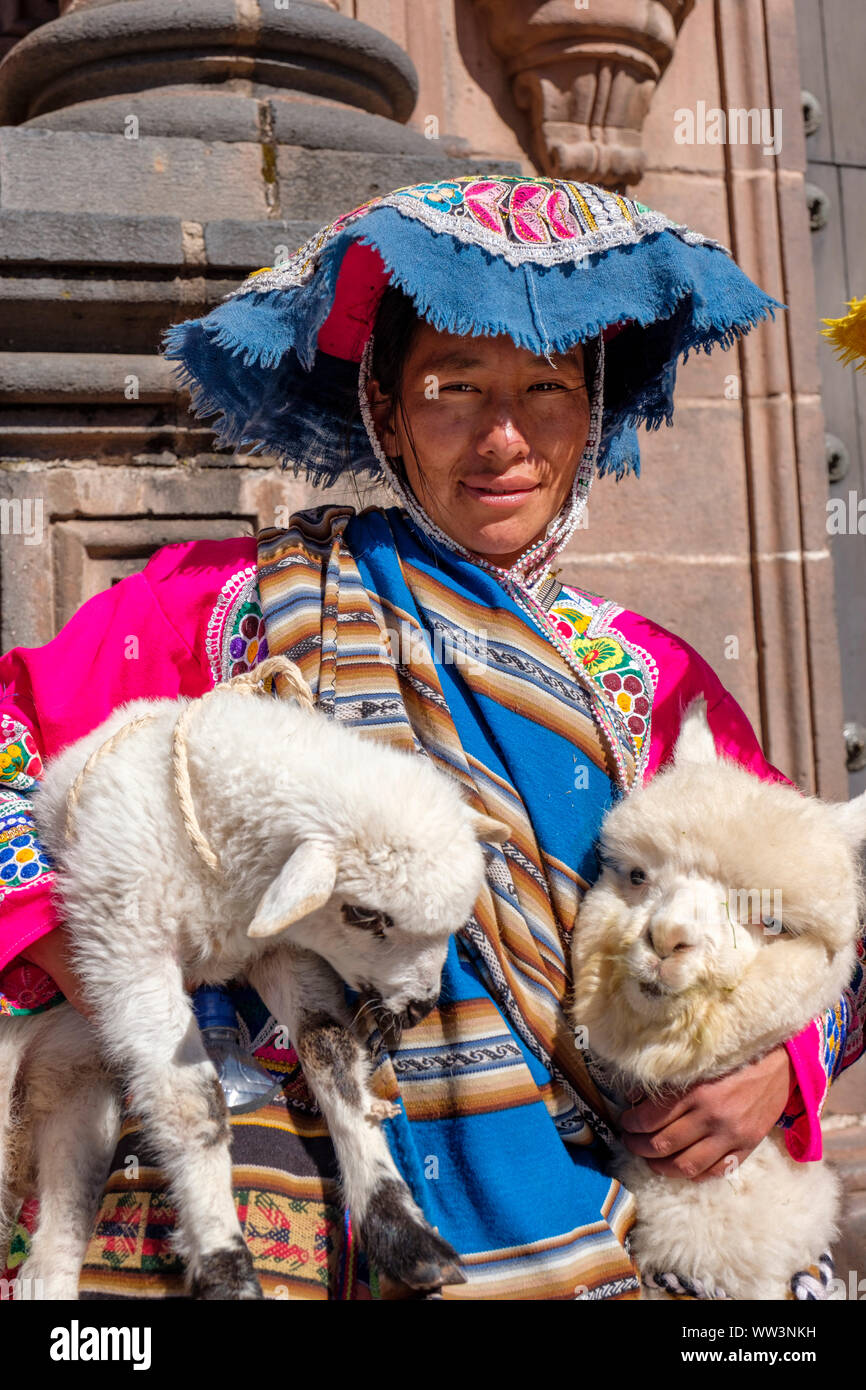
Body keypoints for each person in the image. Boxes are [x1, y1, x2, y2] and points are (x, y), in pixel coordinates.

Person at [1, 174, 862, 1301]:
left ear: (589, 413)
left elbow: (809, 910)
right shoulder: (226, 606)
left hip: (576, 1181)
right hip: (268, 1164)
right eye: (454, 387)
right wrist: (72, 938)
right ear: (389, 409)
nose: (502, 438)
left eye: (545, 389)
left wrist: (772, 1070)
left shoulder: (649, 681)